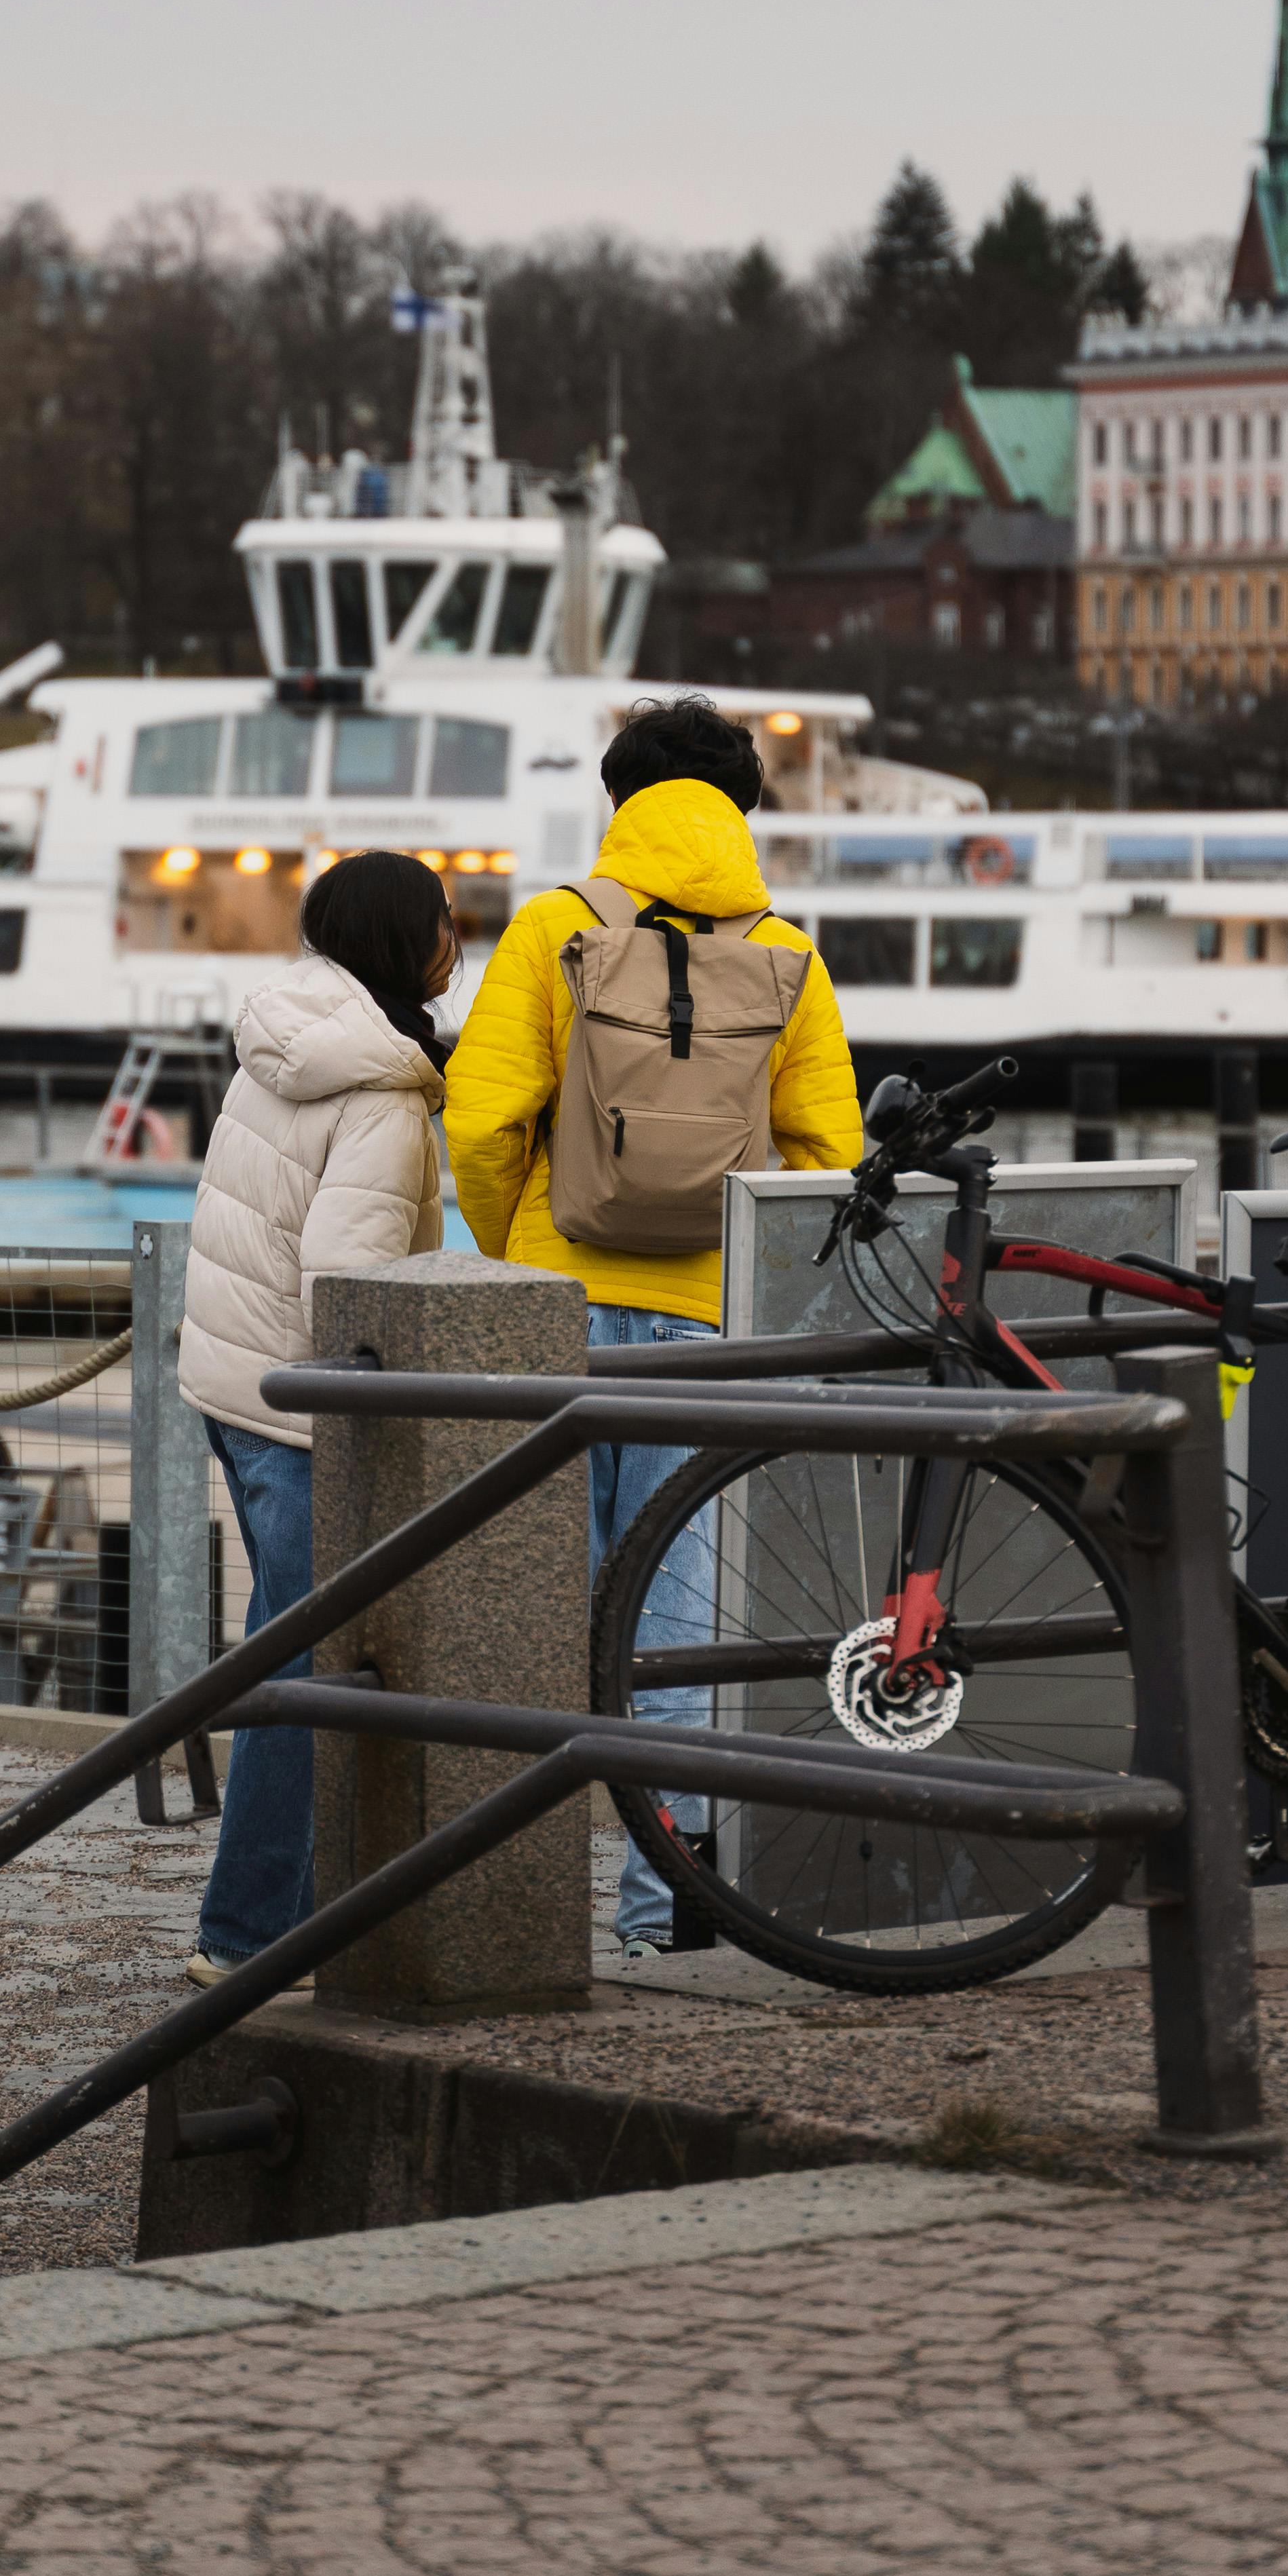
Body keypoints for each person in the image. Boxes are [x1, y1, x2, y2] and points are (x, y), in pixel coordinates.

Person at [444, 694, 863, 1953]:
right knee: (672, 1628)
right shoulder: (790, 949)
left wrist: (514, 1249)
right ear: (740, 807)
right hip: (709, 1317)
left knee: (522, 1613)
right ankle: (660, 1916)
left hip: (551, 1312)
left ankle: (498, 1919)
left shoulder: (555, 927)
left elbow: (478, 1123)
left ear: (619, 801)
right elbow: (825, 1154)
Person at [174, 852, 457, 1985]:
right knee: (295, 1676)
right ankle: (245, 1939)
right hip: (301, 1409)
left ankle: (285, 1917)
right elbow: (347, 1281)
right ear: (404, 939)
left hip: (235, 1388)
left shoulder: (288, 1035)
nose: (456, 940)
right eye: (445, 921)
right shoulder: (384, 1086)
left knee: (287, 1654)